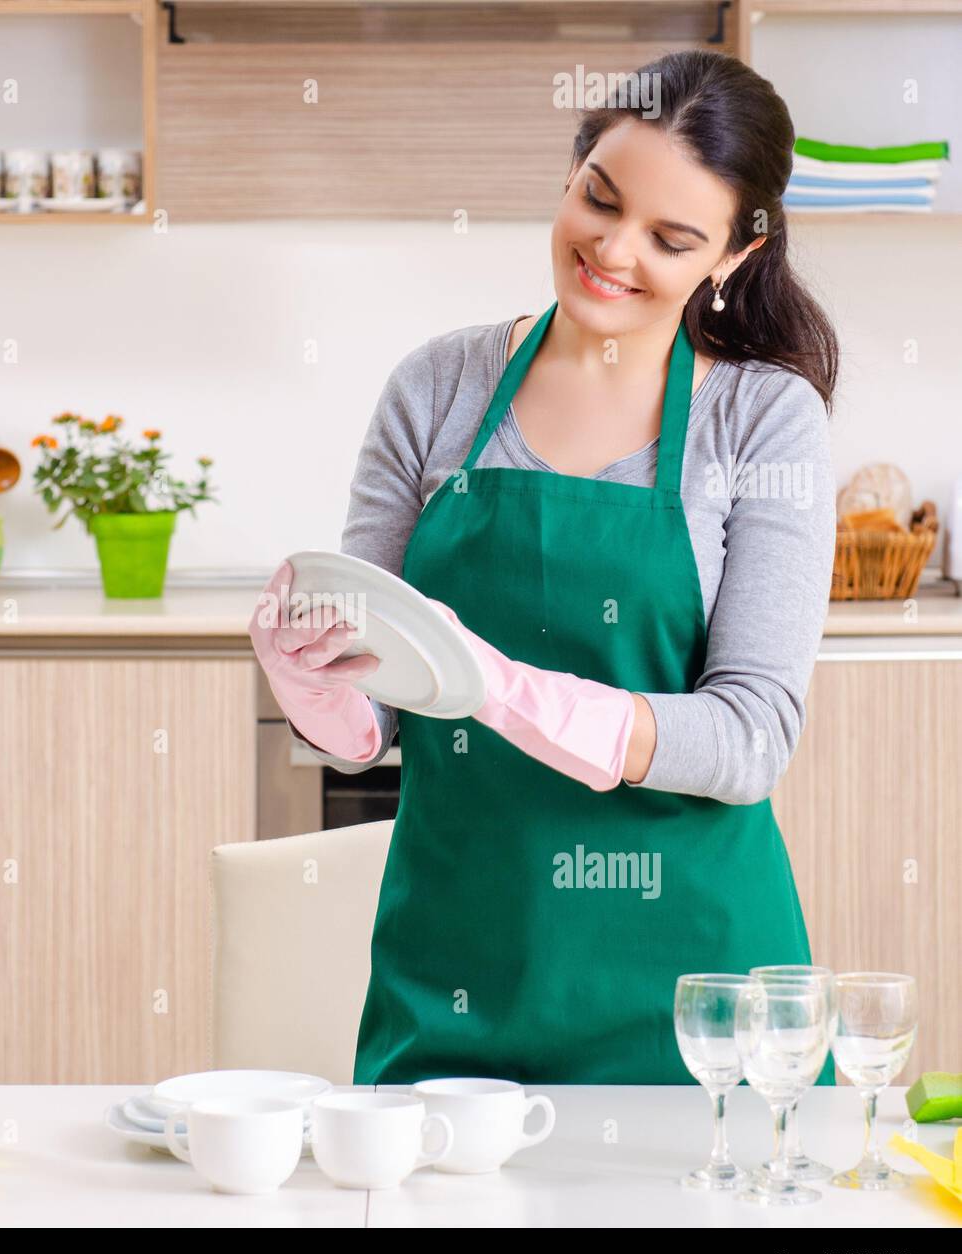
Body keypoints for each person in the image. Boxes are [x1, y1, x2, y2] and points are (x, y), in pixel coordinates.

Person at [249, 49, 839, 1085]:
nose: (611, 251)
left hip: (691, 994)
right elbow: (375, 704)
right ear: (570, 172)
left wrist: (511, 693)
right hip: (462, 966)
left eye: (670, 238)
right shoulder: (438, 386)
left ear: (736, 253)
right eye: (597, 200)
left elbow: (751, 737)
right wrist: (317, 687)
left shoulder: (759, 419)